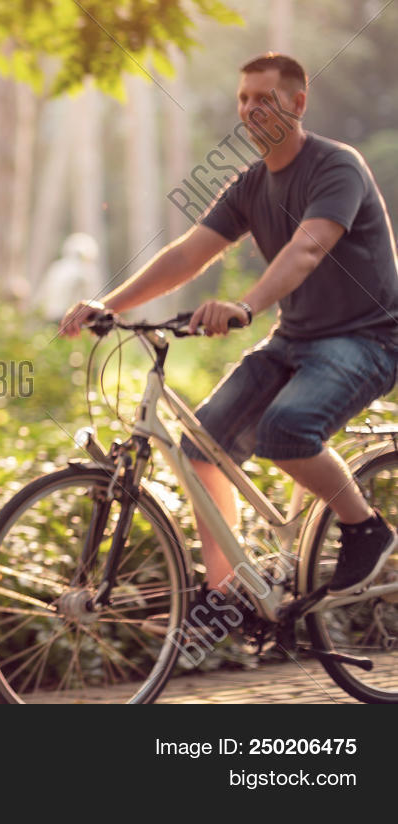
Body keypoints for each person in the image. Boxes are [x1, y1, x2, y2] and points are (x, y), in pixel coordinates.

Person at [61, 52, 398, 627]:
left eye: (264, 99)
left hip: (365, 341)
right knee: (200, 450)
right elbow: (188, 255)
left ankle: (364, 529)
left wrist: (245, 305)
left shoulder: (336, 167)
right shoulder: (250, 185)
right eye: (243, 99)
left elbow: (308, 248)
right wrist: (107, 305)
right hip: (294, 341)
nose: (249, 110)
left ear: (298, 103)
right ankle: (229, 593)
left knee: (286, 431)